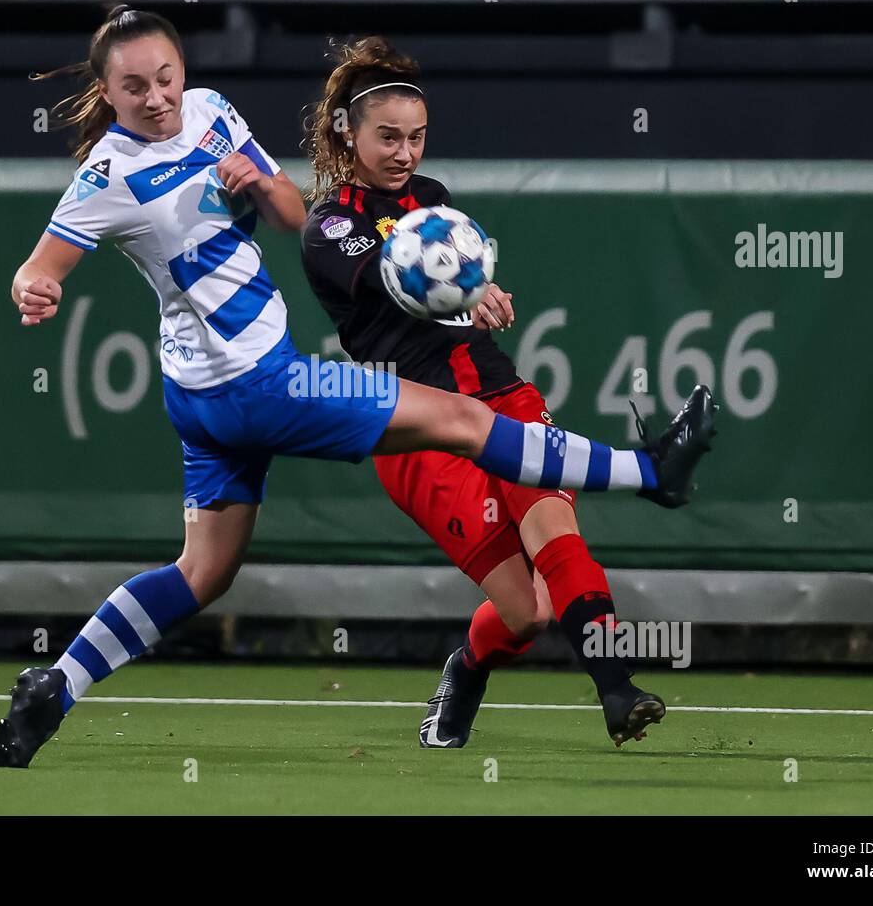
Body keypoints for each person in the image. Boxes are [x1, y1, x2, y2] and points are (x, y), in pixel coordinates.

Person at [0, 7, 716, 768]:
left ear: (182, 70)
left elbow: (286, 209)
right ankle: (652, 471)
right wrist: (35, 287)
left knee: (201, 572)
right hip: (257, 382)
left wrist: (259, 181)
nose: (157, 96)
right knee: (467, 422)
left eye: (165, 76)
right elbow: (41, 264)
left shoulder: (210, 112)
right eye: (134, 86)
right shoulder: (105, 175)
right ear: (107, 91)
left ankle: (56, 685)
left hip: (199, 395)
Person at [300, 37, 714, 747]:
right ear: (348, 132)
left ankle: (617, 688)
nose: (405, 153)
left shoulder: (431, 199)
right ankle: (466, 667)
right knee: (527, 613)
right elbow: (403, 280)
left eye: (417, 137)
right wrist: (470, 285)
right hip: (417, 428)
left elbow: (443, 272)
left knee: (556, 530)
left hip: (499, 395)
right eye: (388, 138)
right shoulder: (330, 226)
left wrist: (480, 291)